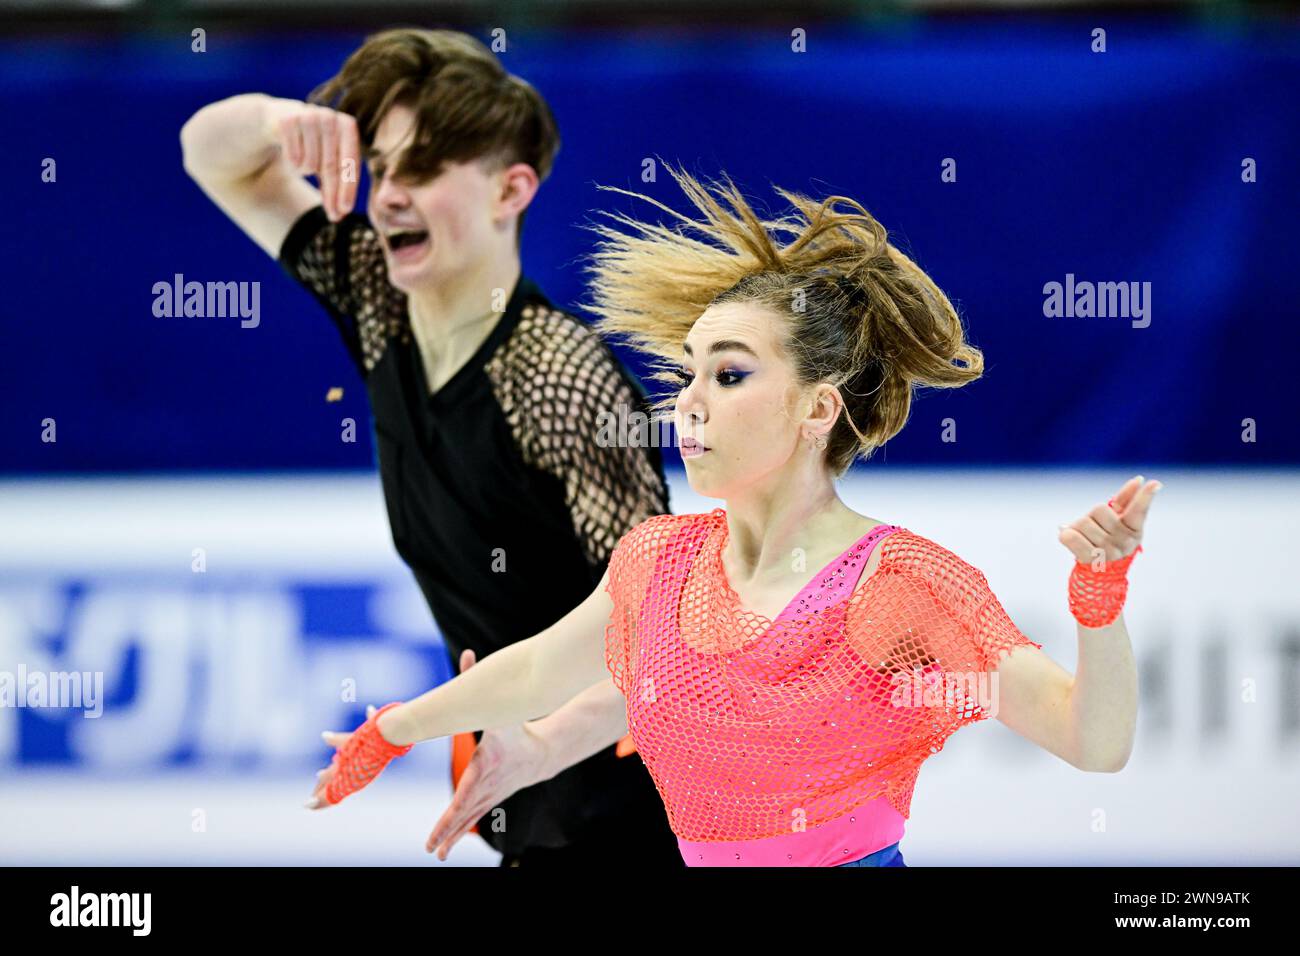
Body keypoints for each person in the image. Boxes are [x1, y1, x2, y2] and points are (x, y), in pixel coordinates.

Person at [307, 162, 1159, 867]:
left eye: (730, 374)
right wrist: (399, 730)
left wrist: (1099, 602)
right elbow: (547, 672)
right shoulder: (660, 561)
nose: (688, 405)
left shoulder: (899, 584)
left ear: (817, 409)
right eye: (686, 376)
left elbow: (1095, 740)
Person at [180, 28, 682, 867]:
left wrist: (545, 743)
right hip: (529, 804)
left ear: (509, 190)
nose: (388, 197)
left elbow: (660, 630)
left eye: (422, 170)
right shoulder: (379, 296)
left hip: (643, 819)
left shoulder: (556, 377)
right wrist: (279, 123)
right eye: (381, 167)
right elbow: (208, 152)